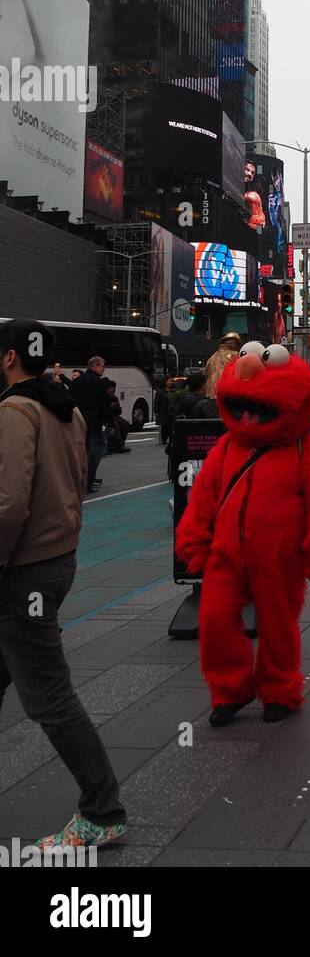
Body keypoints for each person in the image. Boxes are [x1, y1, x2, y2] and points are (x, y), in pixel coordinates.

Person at [0, 318, 127, 852]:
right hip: (57, 557)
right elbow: (79, 482)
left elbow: (8, 504)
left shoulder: (13, 410)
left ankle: (102, 809)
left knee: (48, 694)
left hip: (21, 567)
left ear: (10, 358)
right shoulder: (65, 407)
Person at [176, 345, 310, 725]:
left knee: (277, 625)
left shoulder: (306, 451)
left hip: (280, 557)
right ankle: (229, 688)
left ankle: (279, 688)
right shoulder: (228, 446)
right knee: (215, 619)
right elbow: (204, 496)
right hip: (226, 553)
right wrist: (194, 539)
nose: (248, 415)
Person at [70, 357, 115, 494]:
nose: (104, 368)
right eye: (102, 366)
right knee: (92, 453)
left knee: (79, 453)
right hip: (93, 423)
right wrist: (111, 423)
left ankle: (76, 482)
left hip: (77, 422)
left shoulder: (76, 382)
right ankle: (88, 483)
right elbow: (104, 405)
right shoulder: (98, 383)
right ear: (95, 366)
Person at [203, 333, 242, 401]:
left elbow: (204, 374)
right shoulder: (235, 355)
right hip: (227, 397)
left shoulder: (212, 357)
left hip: (210, 396)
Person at [103, 380, 132, 454]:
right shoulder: (103, 397)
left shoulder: (114, 398)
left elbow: (119, 412)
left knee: (125, 424)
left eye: (113, 391)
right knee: (114, 424)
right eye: (111, 391)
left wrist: (116, 407)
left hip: (113, 415)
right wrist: (109, 406)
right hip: (104, 416)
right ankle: (119, 445)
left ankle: (122, 443)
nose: (113, 393)